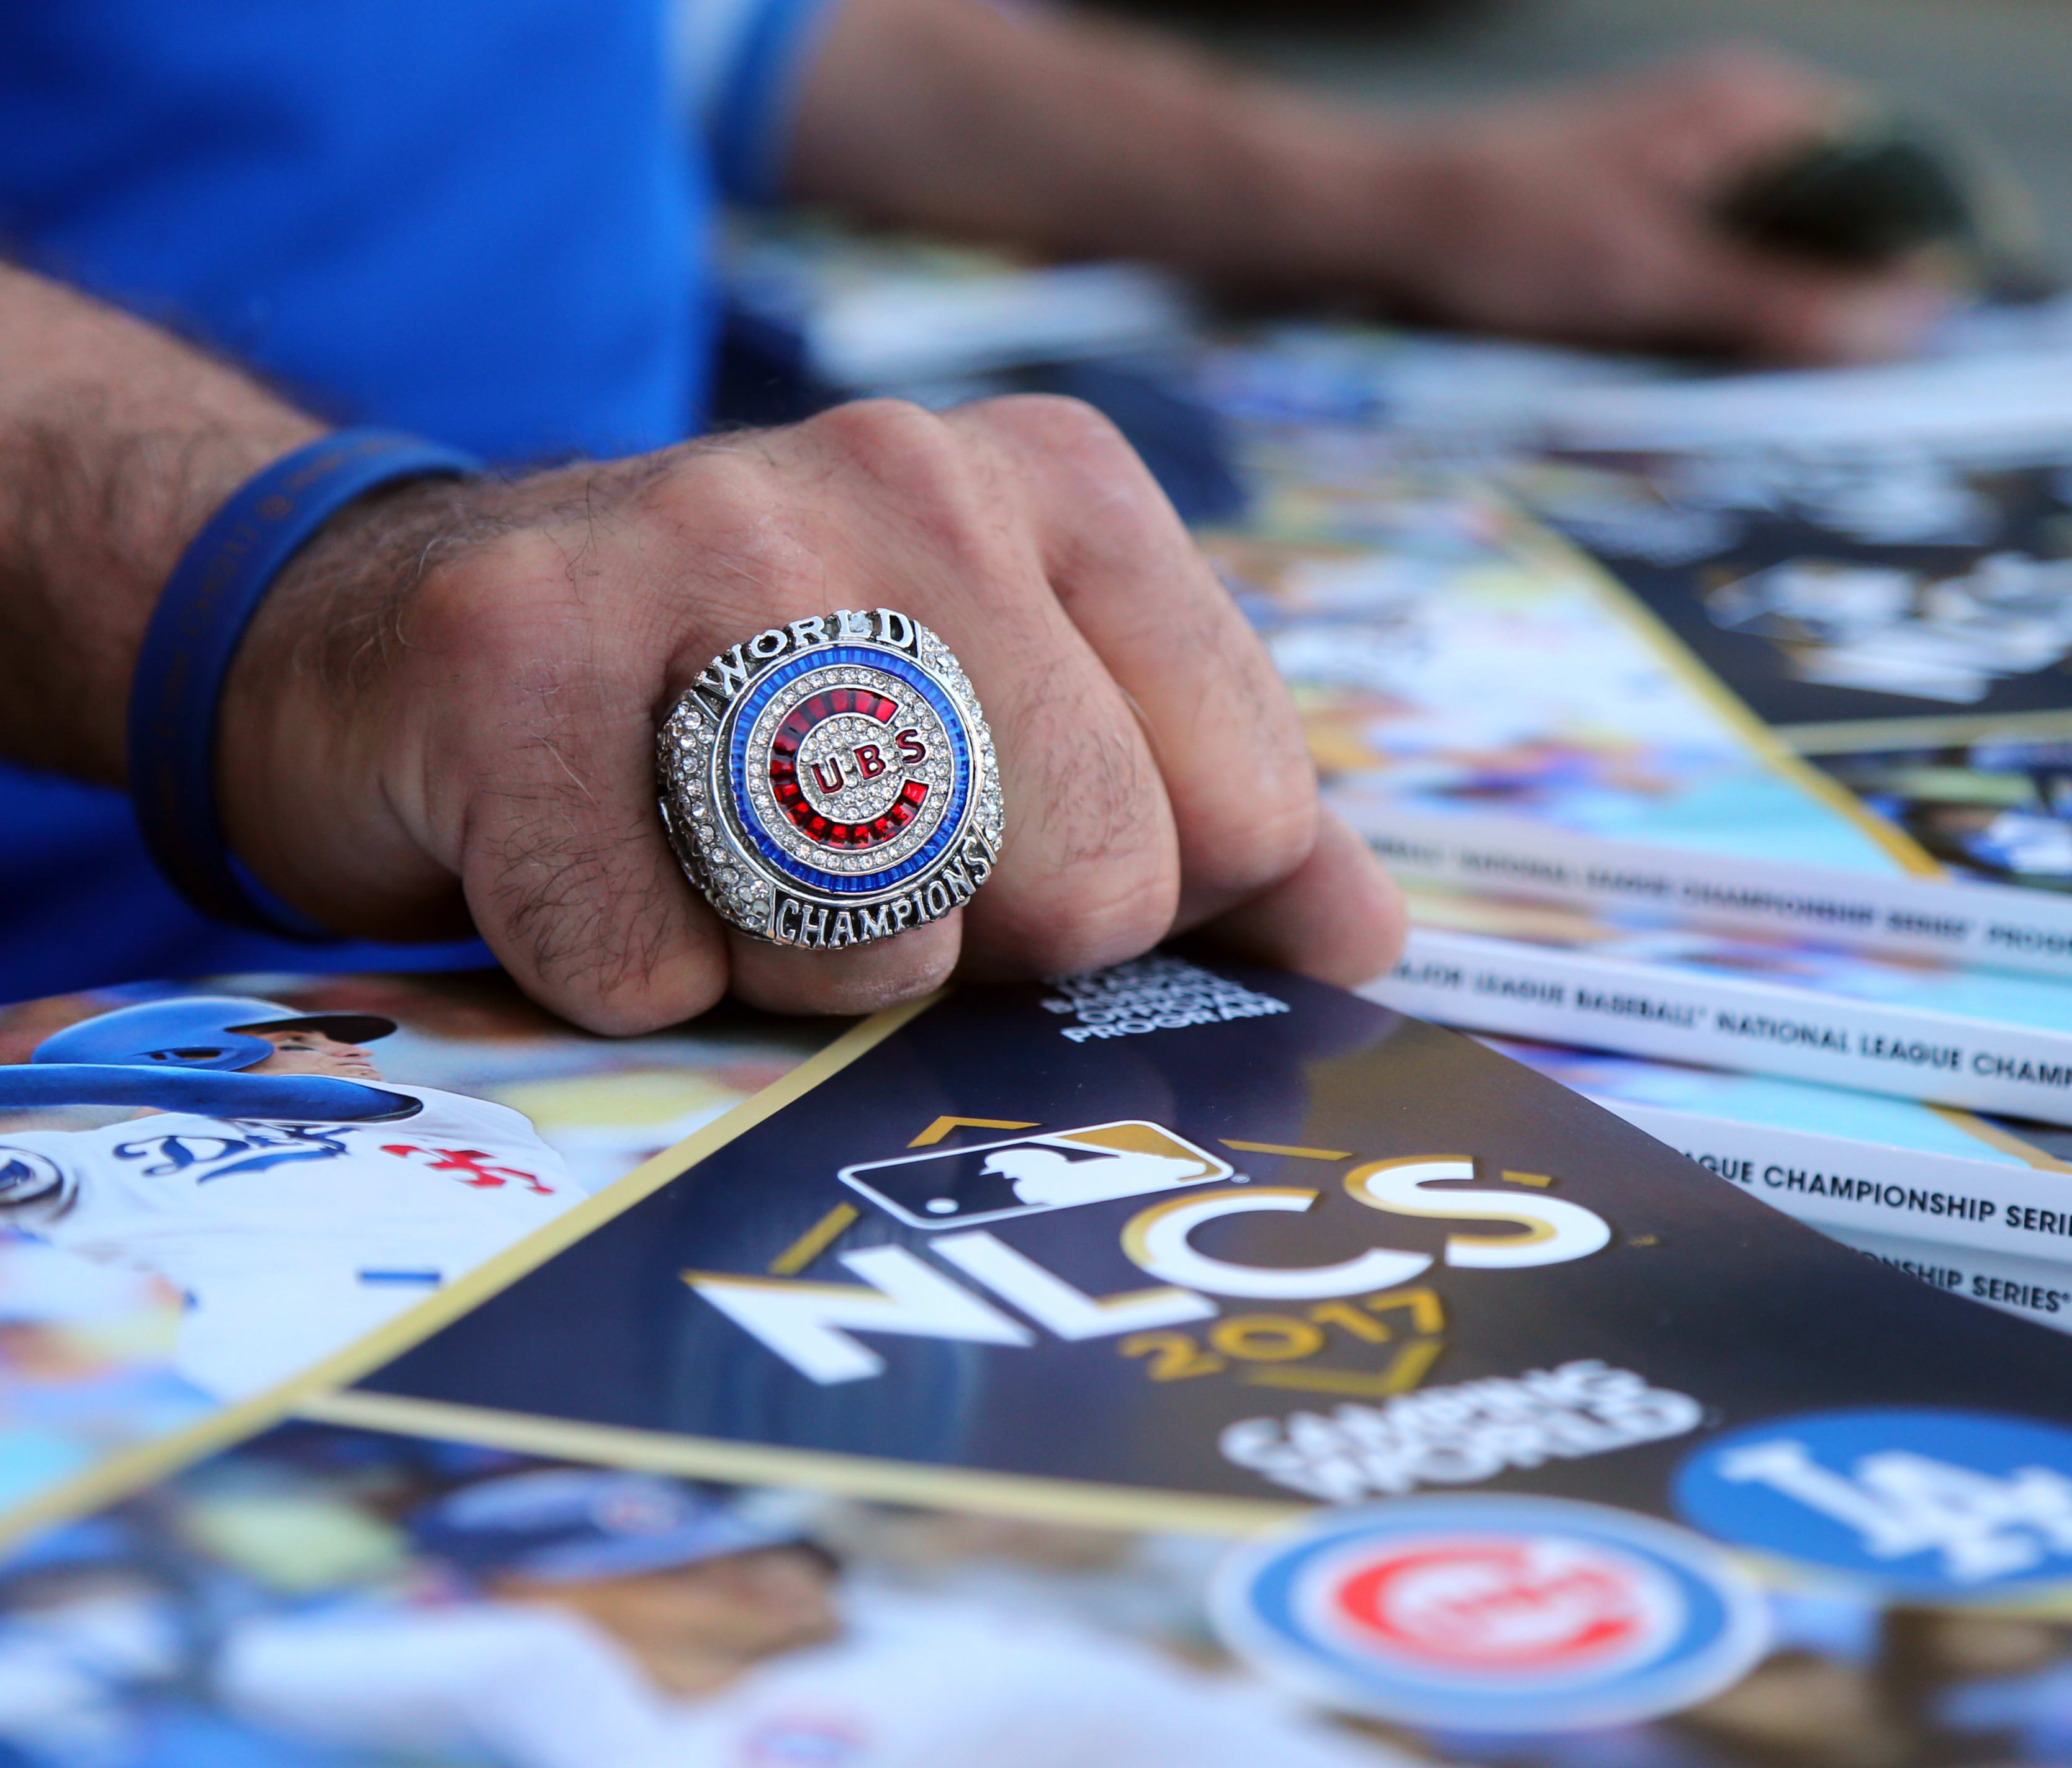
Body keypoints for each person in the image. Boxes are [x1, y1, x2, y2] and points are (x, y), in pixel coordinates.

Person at [0, 1, 1948, 1034]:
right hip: (88, 953)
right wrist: (296, 600)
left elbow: (710, 33)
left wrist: (1379, 198)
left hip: (647, 827)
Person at [220, 1466, 1471, 1768]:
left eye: (751, 1548)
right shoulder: (677, 1736)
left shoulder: (904, 1629)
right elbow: (264, 1665)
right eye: (683, 1571)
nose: (759, 1576)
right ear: (545, 1598)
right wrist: (530, 1655)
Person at [0, 997, 586, 1401]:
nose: (360, 1054)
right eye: (304, 1042)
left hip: (563, 1308)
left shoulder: (451, 1118)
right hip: (320, 1338)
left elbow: (315, 1098)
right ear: (191, 1054)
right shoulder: (93, 1156)